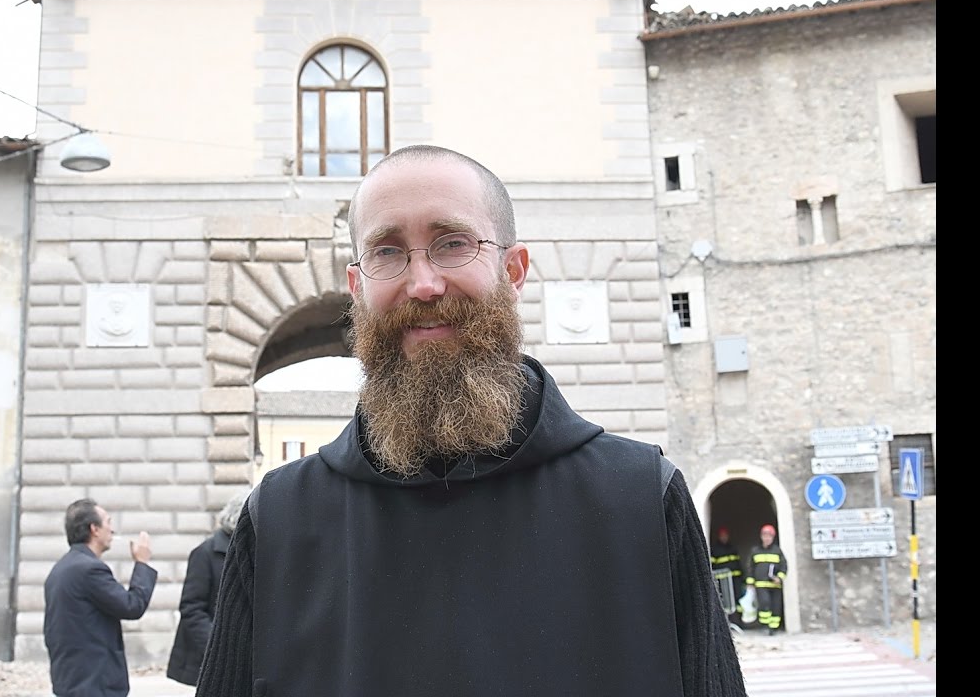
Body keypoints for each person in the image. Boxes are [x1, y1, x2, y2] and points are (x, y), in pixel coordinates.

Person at [195, 144, 746, 696]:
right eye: (386, 251)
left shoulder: (641, 499)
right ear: (358, 286)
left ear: (513, 270)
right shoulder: (278, 521)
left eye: (453, 244)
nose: (424, 283)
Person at [43, 498, 157, 697]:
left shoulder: (62, 568)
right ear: (94, 529)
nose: (112, 531)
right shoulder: (89, 569)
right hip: (93, 684)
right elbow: (132, 606)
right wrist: (142, 564)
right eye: (108, 523)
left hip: (72, 680)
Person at [166, 490, 250, 686]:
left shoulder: (250, 549)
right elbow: (191, 608)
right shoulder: (205, 553)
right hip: (211, 656)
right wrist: (219, 647)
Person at [746, 523, 788, 635]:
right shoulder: (755, 551)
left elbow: (784, 566)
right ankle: (765, 625)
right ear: (761, 537)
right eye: (765, 535)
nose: (767, 538)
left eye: (769, 536)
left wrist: (779, 577)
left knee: (776, 606)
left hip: (775, 585)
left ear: (773, 537)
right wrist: (750, 582)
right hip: (761, 584)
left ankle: (773, 628)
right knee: (764, 603)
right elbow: (750, 567)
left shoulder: (777, 551)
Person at [710, 525, 746, 624]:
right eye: (722, 536)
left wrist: (743, 578)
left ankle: (739, 622)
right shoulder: (715, 550)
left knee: (737, 601)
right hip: (723, 581)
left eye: (725, 535)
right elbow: (712, 566)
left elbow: (738, 564)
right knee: (725, 602)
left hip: (735, 580)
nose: (724, 537)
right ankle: (727, 623)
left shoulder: (732, 548)